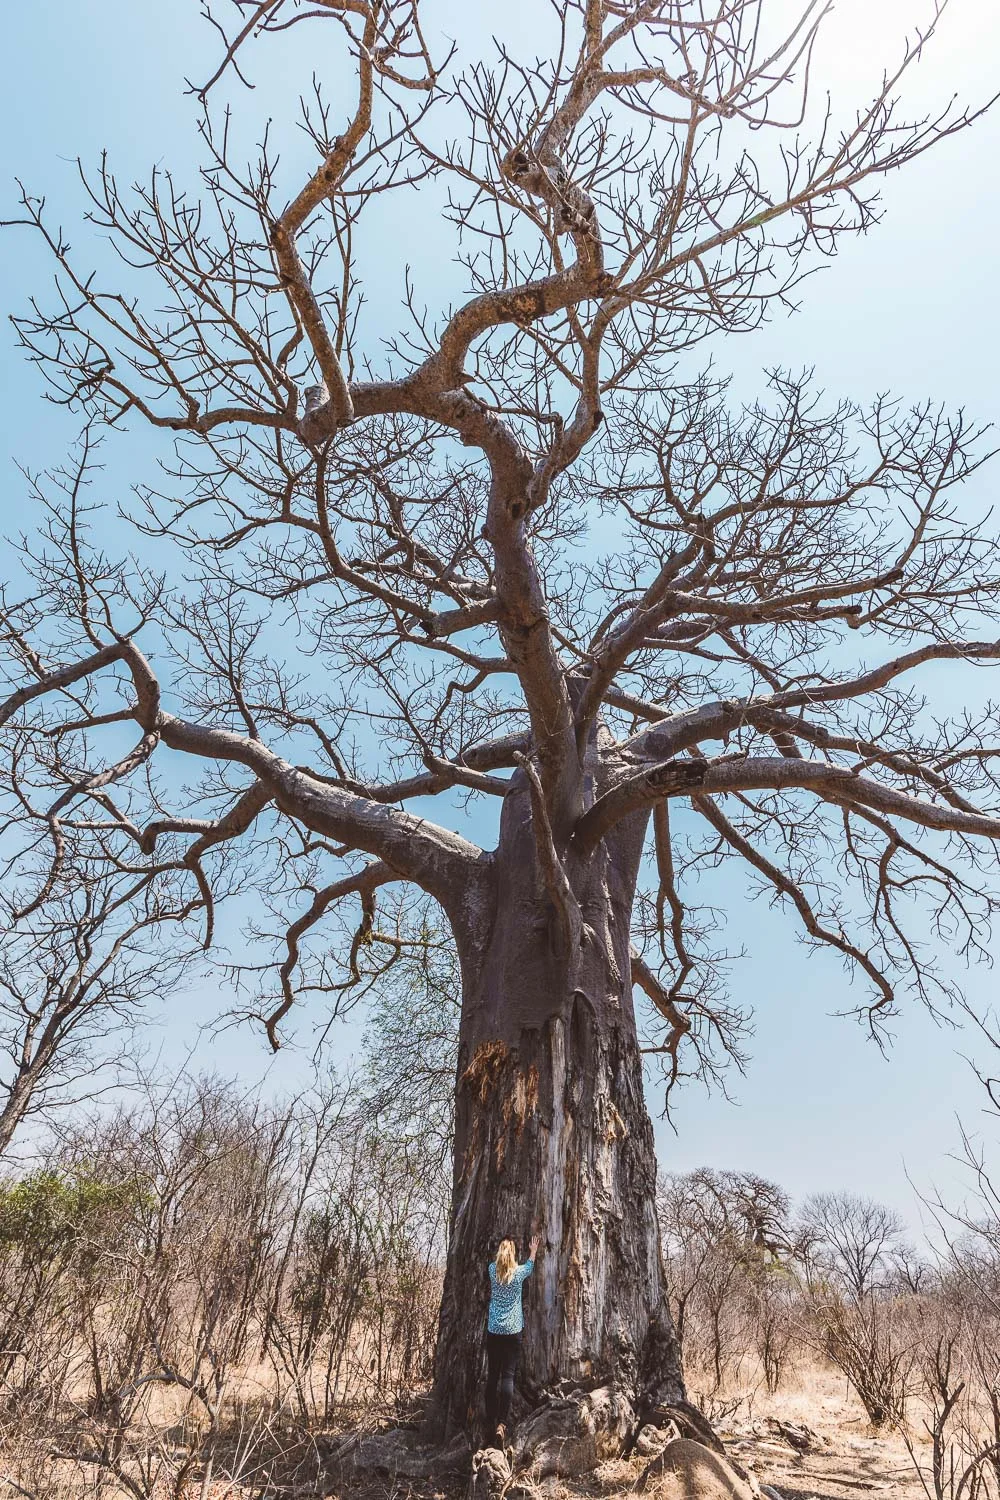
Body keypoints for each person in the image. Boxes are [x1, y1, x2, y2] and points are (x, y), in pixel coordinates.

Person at [484, 1232, 539, 1448]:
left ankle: (489, 1420)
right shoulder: (518, 1273)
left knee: (492, 1376)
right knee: (508, 1377)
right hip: (513, 1331)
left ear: (499, 1254)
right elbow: (530, 1266)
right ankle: (502, 1424)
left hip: (494, 1330)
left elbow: (500, 1266)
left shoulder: (492, 1270)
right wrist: (533, 1250)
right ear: (513, 1254)